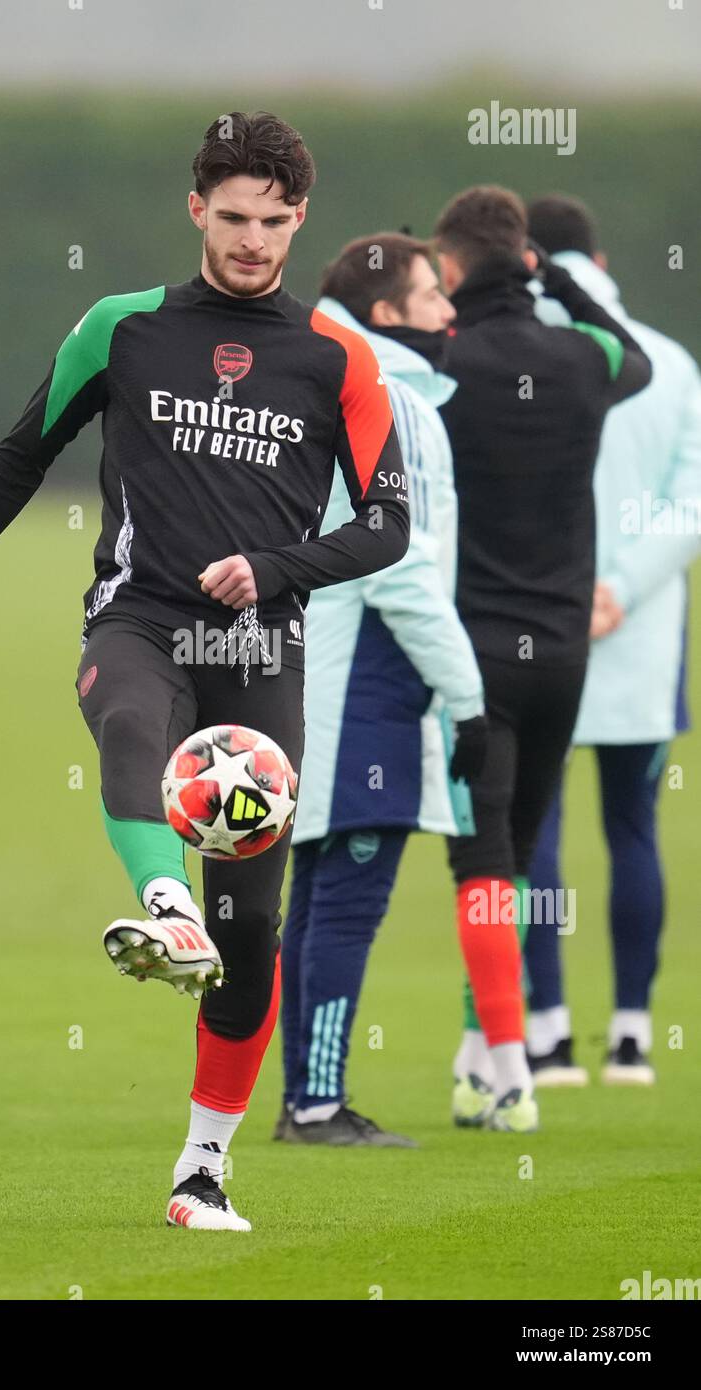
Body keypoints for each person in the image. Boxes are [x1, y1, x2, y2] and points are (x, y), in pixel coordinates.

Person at [0, 112, 410, 1231]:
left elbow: (391, 526)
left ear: (299, 218)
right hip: (140, 618)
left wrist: (273, 566)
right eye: (232, 216)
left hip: (260, 649)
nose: (252, 240)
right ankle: (164, 903)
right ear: (196, 207)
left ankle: (202, 1169)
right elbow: (23, 454)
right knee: (125, 720)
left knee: (253, 933)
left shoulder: (339, 358)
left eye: (272, 221)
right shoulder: (120, 329)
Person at [433, 186, 652, 1132]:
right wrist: (562, 281)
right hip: (564, 651)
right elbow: (633, 356)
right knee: (517, 858)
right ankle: (483, 1059)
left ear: (449, 269)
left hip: (468, 651)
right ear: (527, 264)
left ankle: (513, 1070)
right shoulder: (582, 356)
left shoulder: (442, 364)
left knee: (482, 861)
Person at [275, 233, 486, 1146]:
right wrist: (469, 695)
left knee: (316, 898)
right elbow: (402, 568)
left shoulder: (329, 380)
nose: (450, 310)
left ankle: (306, 1099)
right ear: (389, 312)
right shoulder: (391, 397)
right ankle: (316, 1104)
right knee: (344, 906)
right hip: (372, 684)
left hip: (322, 674)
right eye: (433, 294)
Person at [522, 193, 701, 1087]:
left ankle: (547, 1032)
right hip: (641, 630)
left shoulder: (523, 357)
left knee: (537, 833)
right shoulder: (669, 362)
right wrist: (622, 589)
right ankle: (633, 1033)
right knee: (635, 828)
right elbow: (691, 507)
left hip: (534, 626)